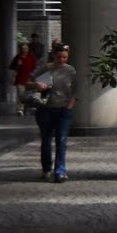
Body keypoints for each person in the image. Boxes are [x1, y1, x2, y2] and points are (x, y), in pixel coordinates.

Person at [30, 42, 78, 182]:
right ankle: (46, 169)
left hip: (64, 110)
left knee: (61, 140)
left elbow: (75, 90)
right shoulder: (46, 69)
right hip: (46, 109)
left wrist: (71, 104)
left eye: (65, 57)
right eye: (59, 57)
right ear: (53, 56)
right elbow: (28, 83)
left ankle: (60, 171)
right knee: (46, 140)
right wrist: (37, 85)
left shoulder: (70, 70)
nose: (62, 60)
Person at [8, 41, 37, 114]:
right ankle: (20, 109)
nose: (25, 50)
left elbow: (35, 67)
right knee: (21, 94)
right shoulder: (18, 57)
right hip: (20, 78)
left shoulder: (31, 57)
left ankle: (27, 108)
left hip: (29, 78)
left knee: (28, 94)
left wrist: (33, 75)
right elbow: (12, 67)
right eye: (23, 48)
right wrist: (17, 65)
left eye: (26, 48)